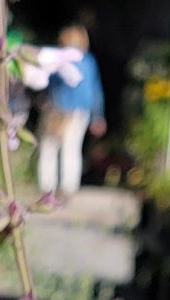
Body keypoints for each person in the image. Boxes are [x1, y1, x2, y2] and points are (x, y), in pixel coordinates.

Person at [37, 25, 105, 197]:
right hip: (77, 111)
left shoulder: (58, 58)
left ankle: (48, 187)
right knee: (70, 148)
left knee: (50, 147)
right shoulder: (88, 61)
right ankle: (68, 187)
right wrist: (98, 116)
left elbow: (47, 83)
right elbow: (95, 90)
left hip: (59, 109)